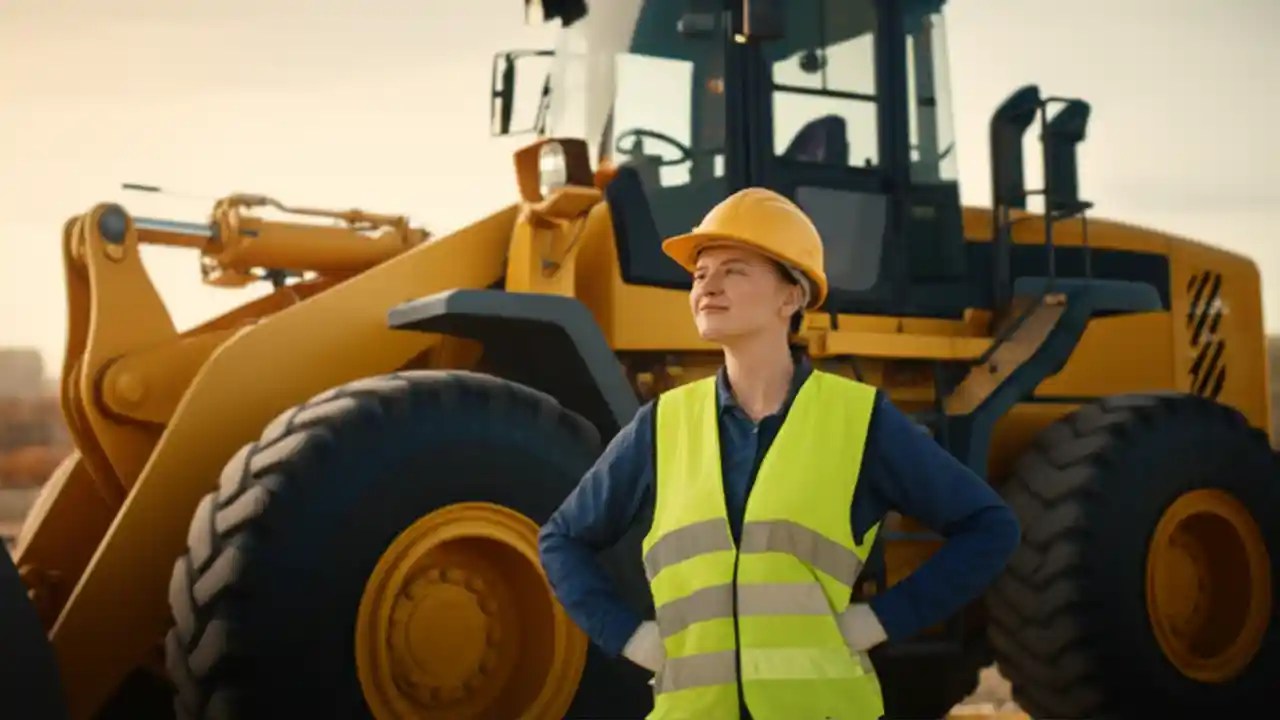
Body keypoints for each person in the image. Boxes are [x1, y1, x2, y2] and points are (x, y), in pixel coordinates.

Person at [538, 187, 1020, 719]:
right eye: (700, 274)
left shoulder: (858, 420)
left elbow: (990, 527)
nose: (708, 287)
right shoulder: (661, 426)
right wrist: (628, 636)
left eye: (734, 271)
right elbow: (561, 539)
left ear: (790, 297)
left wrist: (880, 620)